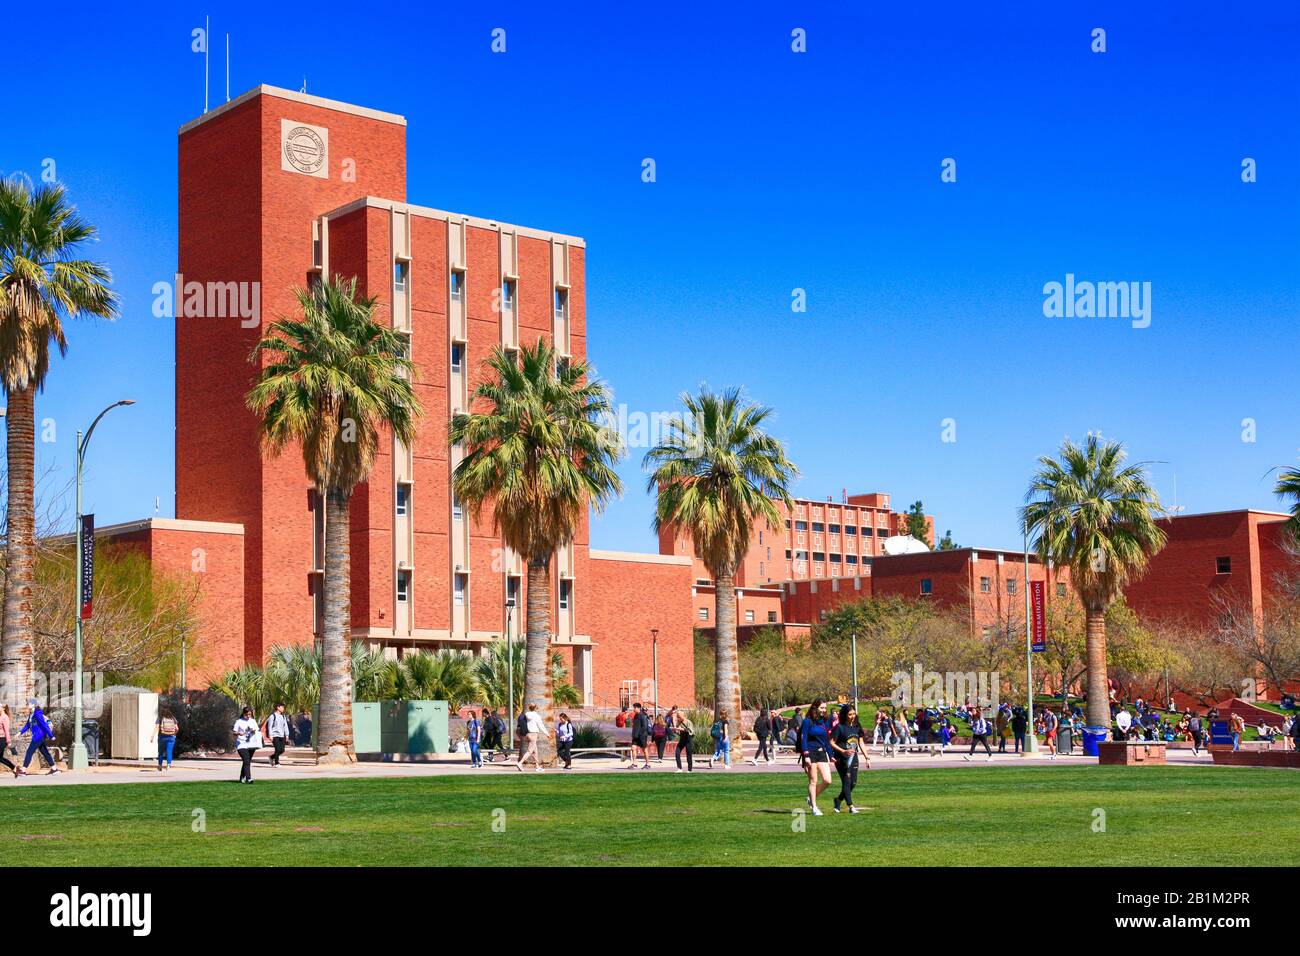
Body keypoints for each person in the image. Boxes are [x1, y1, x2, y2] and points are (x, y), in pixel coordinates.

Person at [830, 704, 867, 813]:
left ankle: (838, 800)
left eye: (853, 714)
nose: (852, 716)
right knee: (846, 781)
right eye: (850, 714)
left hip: (853, 758)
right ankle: (850, 806)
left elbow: (861, 742)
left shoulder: (856, 726)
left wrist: (867, 757)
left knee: (853, 783)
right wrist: (843, 751)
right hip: (841, 758)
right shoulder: (839, 727)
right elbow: (831, 742)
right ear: (844, 715)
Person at [800, 699, 834, 816]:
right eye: (822, 708)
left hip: (821, 753)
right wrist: (806, 756)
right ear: (815, 707)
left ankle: (810, 797)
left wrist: (831, 755)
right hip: (811, 753)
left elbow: (826, 740)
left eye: (825, 708)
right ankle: (814, 807)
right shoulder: (807, 721)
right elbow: (803, 739)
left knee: (827, 780)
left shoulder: (824, 721)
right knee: (813, 781)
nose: (824, 710)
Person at [18, 698, 59, 776]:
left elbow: (44, 725)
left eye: (28, 704)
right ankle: (54, 769)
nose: (27, 705)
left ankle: (23, 771)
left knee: (29, 751)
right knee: (45, 752)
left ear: (33, 704)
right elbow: (27, 725)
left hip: (39, 736)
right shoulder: (32, 714)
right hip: (37, 736)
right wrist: (20, 733)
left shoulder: (38, 713)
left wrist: (51, 736)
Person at [233, 706, 261, 784]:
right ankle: (249, 778)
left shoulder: (253, 721)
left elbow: (257, 730)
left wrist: (253, 730)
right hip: (241, 744)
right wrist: (239, 733)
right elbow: (234, 732)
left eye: (250, 714)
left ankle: (242, 777)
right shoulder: (239, 721)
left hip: (251, 743)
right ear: (244, 713)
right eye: (247, 714)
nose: (248, 716)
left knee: (247, 762)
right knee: (246, 760)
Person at [516, 703, 546, 772]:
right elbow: (541, 726)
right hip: (533, 734)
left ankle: (537, 766)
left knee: (535, 751)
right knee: (530, 751)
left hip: (527, 734)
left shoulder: (524, 715)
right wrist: (546, 733)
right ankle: (520, 763)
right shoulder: (535, 716)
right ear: (535, 708)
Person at [264, 702, 292, 767]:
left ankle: (271, 757)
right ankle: (277, 763)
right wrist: (271, 735)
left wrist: (287, 734)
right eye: (282, 707)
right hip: (275, 735)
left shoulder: (283, 716)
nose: (283, 708)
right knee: (277, 749)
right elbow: (270, 726)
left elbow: (285, 726)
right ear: (278, 707)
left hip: (282, 735)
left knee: (282, 750)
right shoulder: (272, 716)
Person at [629, 702, 652, 770]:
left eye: (635, 708)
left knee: (644, 749)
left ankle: (648, 764)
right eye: (634, 708)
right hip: (635, 736)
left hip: (642, 736)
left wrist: (640, 734)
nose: (634, 709)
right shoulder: (636, 715)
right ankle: (634, 764)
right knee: (633, 748)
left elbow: (644, 727)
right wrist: (634, 734)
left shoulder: (643, 715)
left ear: (638, 708)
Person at [156, 707, 180, 771]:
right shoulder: (173, 718)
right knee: (169, 751)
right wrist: (174, 733)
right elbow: (177, 728)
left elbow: (157, 727)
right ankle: (168, 765)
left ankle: (160, 765)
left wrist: (152, 736)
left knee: (160, 752)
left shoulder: (160, 718)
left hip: (162, 737)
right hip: (171, 737)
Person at [673, 709, 695, 773]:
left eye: (679, 717)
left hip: (688, 739)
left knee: (688, 754)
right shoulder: (679, 723)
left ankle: (689, 769)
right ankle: (679, 768)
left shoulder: (688, 722)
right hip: (682, 739)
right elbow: (678, 731)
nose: (678, 718)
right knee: (677, 752)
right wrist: (675, 730)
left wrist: (682, 729)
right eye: (677, 717)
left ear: (682, 716)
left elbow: (690, 731)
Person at [0, 704, 16, 777]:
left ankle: (13, 767)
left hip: (2, 740)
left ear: (3, 708)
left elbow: (6, 730)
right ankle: (14, 767)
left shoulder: (5, 717)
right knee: (0, 758)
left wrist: (8, 741)